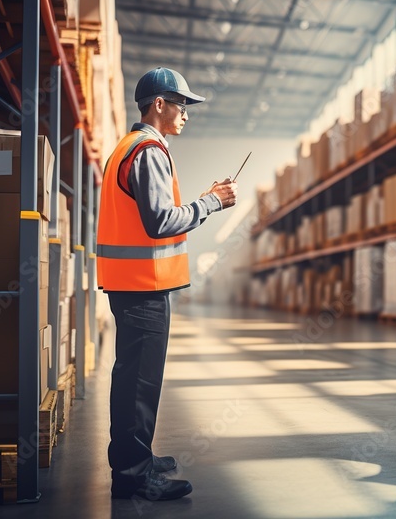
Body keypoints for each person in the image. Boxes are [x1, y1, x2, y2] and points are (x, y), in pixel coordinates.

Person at [96, 67, 237, 501]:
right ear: (158, 104)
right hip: (142, 287)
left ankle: (135, 457)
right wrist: (211, 202)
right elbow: (160, 222)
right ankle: (134, 476)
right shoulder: (149, 151)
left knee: (132, 378)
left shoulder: (130, 147)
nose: (186, 115)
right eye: (181, 105)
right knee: (139, 383)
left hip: (132, 284)